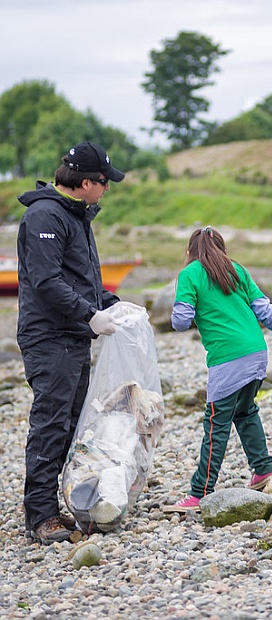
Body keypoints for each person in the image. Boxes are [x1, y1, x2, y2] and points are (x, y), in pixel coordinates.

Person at [17, 141, 128, 544]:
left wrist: (113, 306)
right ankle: (40, 516)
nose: (107, 190)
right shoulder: (45, 215)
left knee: (71, 424)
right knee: (51, 423)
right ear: (85, 182)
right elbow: (47, 282)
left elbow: (82, 279)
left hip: (74, 335)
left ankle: (50, 504)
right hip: (49, 337)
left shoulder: (76, 215)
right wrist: (89, 315)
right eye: (104, 183)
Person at [163, 227, 272, 513]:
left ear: (189, 252)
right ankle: (263, 470)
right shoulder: (237, 271)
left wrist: (184, 308)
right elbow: (265, 310)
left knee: (215, 424)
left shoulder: (190, 274)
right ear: (222, 249)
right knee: (245, 412)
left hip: (228, 358)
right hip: (257, 353)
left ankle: (199, 493)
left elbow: (181, 322)